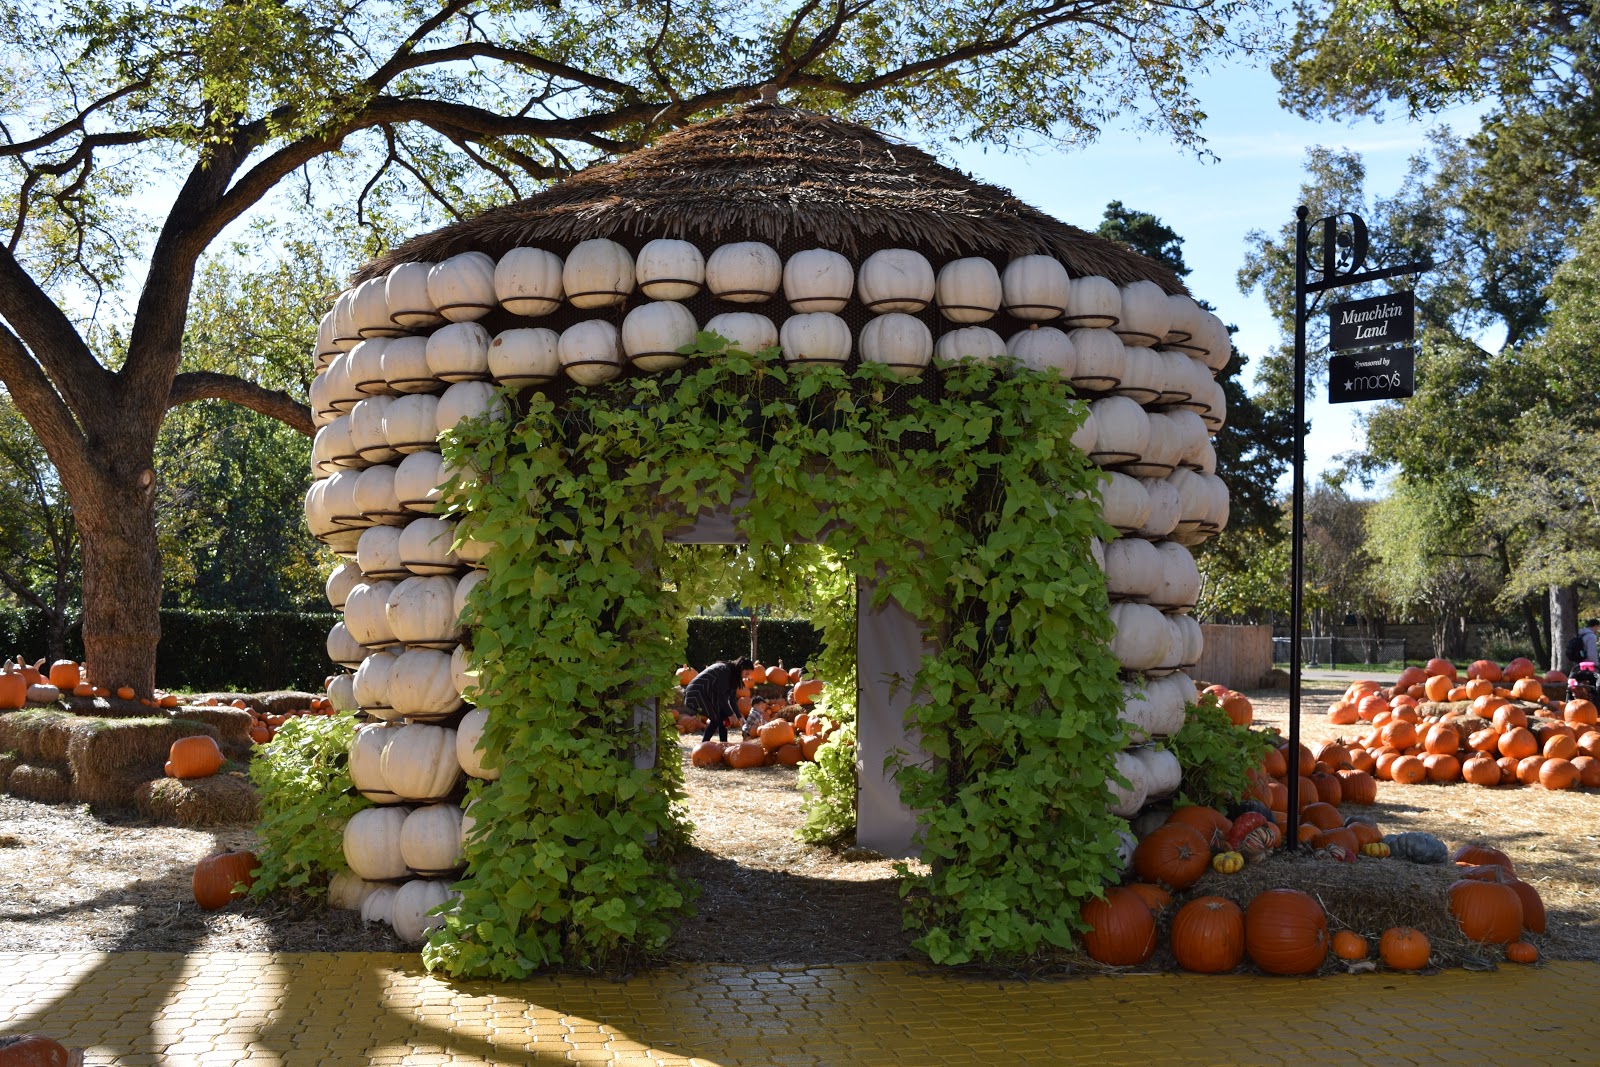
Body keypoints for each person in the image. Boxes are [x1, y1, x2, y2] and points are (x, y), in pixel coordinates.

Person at [689, 656, 752, 744]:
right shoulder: (725, 671)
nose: (746, 677)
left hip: (707, 694)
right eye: (746, 673)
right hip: (697, 693)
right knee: (716, 718)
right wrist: (730, 714)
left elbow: (732, 699)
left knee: (722, 716)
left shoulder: (733, 675)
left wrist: (739, 716)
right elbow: (721, 696)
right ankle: (703, 745)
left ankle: (723, 744)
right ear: (741, 668)